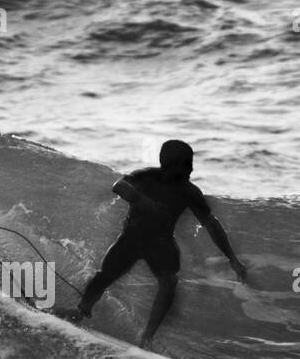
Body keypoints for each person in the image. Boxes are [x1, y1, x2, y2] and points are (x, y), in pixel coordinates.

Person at [68, 140, 247, 347]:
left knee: (169, 282)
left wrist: (232, 258)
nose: (191, 168)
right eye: (187, 163)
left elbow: (211, 225)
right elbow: (118, 186)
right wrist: (144, 202)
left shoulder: (189, 192)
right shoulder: (147, 177)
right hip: (131, 239)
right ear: (169, 163)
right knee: (104, 276)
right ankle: (81, 311)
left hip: (161, 244)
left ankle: (147, 336)